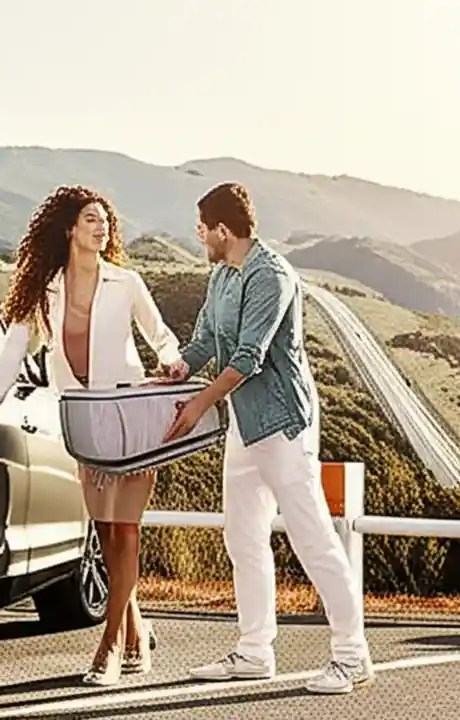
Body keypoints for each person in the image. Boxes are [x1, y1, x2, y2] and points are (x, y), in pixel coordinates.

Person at [0, 185, 183, 686]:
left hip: (129, 416)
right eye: (90, 220)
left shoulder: (126, 282)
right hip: (82, 422)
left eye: (105, 220)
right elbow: (14, 350)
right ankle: (137, 633)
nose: (102, 227)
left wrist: (172, 362)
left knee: (125, 530)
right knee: (103, 532)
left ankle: (109, 646)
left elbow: (160, 335)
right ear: (69, 229)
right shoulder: (45, 291)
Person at [159, 182, 374, 695]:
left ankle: (352, 656)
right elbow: (207, 339)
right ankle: (255, 651)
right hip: (245, 425)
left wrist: (198, 405)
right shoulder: (221, 275)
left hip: (282, 423)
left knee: (312, 536)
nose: (199, 237)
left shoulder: (271, 275)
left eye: (202, 229)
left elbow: (248, 357)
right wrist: (179, 367)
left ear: (223, 230)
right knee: (242, 535)